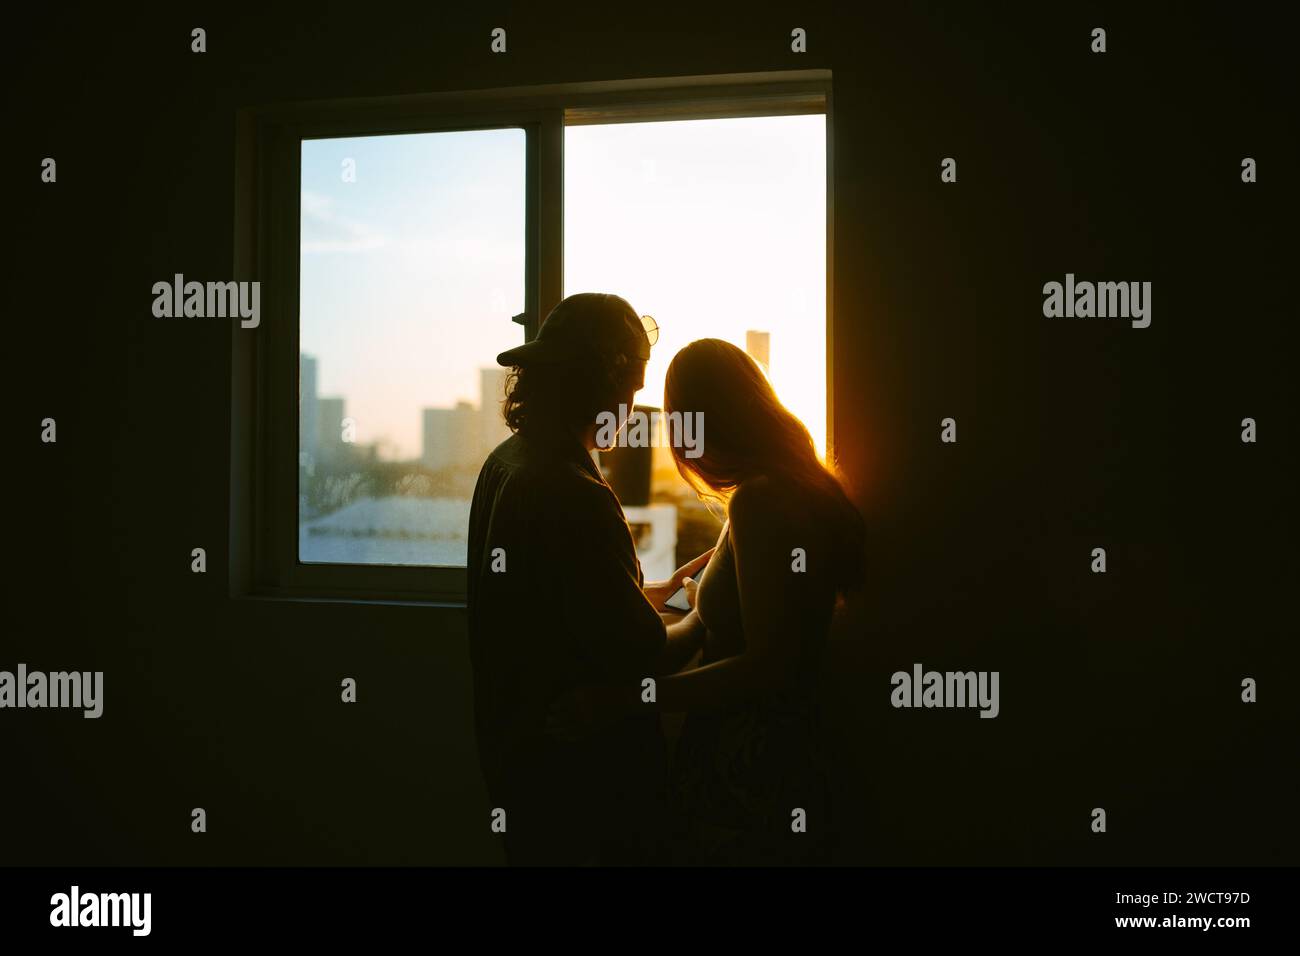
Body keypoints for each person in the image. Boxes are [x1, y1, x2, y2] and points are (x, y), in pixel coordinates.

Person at [550, 338, 867, 865]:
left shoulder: (759, 501)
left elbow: (766, 667)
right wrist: (687, 601)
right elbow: (726, 624)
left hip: (752, 765)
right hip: (772, 755)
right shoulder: (782, 488)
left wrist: (627, 701)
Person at [467, 293, 710, 866]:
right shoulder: (574, 492)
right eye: (630, 394)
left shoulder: (505, 463)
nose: (631, 410)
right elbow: (646, 653)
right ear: (599, 386)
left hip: (522, 768)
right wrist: (704, 612)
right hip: (589, 789)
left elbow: (553, 600)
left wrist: (640, 593)